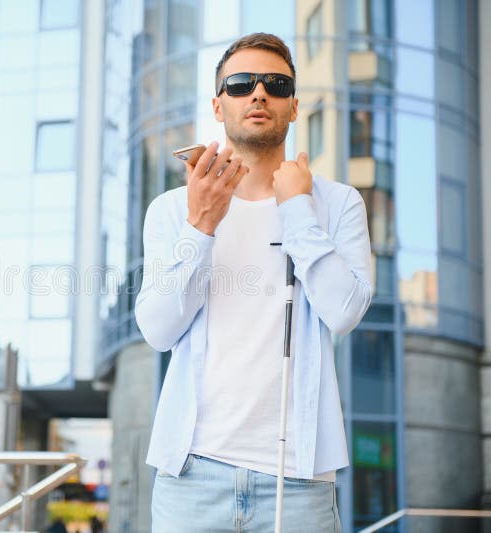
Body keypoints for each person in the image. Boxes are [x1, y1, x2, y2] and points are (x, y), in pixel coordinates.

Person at [136, 33, 372, 532]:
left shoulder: (338, 203)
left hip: (299, 480)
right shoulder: (173, 208)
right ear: (218, 106)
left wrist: (297, 211)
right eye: (241, 84)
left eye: (275, 84)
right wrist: (200, 226)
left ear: (293, 106)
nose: (258, 94)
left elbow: (345, 311)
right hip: (192, 474)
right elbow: (157, 330)